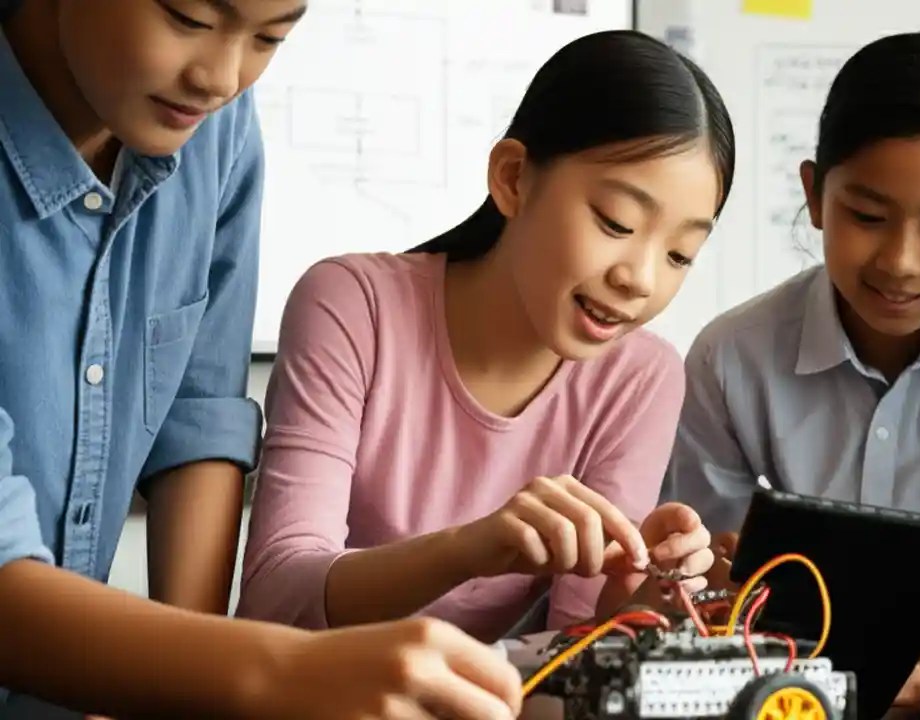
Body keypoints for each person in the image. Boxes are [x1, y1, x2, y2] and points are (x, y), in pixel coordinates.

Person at [0, 1, 522, 718]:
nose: (220, 78)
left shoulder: (214, 135)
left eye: (272, 36)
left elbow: (199, 412)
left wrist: (193, 692)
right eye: (187, 17)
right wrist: (275, 672)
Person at [235, 29, 735, 641]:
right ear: (513, 177)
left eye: (681, 255)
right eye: (617, 222)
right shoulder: (353, 305)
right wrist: (468, 550)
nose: (641, 279)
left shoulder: (641, 378)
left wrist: (638, 594)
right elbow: (277, 598)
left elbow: (570, 643)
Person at [661, 31, 920, 711]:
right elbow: (706, 590)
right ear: (815, 195)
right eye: (865, 215)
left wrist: (918, 683)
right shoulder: (730, 358)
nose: (899, 262)